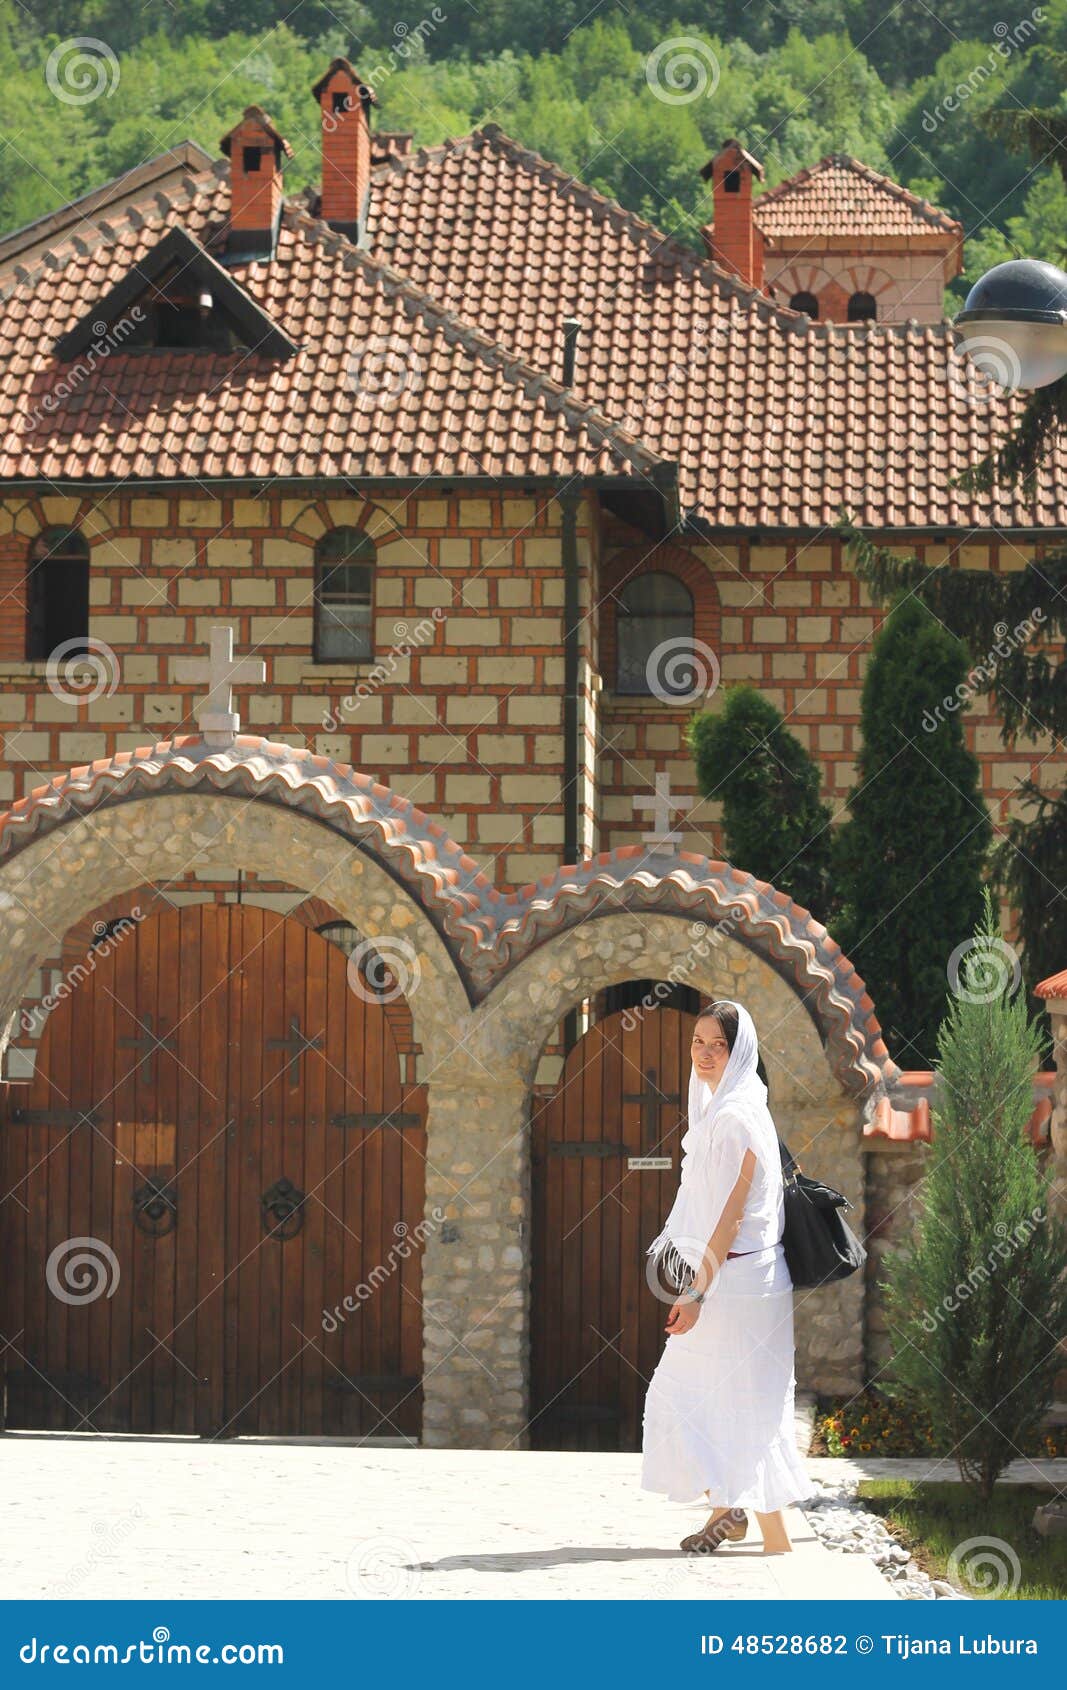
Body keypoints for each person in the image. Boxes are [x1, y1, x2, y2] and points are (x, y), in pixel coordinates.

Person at [640, 999, 813, 1555]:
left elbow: (731, 1217)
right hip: (738, 1279)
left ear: (739, 1051)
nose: (706, 1053)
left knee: (732, 1400)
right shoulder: (726, 1109)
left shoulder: (736, 1116)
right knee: (715, 1396)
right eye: (698, 1042)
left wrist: (693, 1294)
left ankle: (776, 1540)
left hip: (738, 1284)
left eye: (719, 1044)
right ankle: (726, 1514)